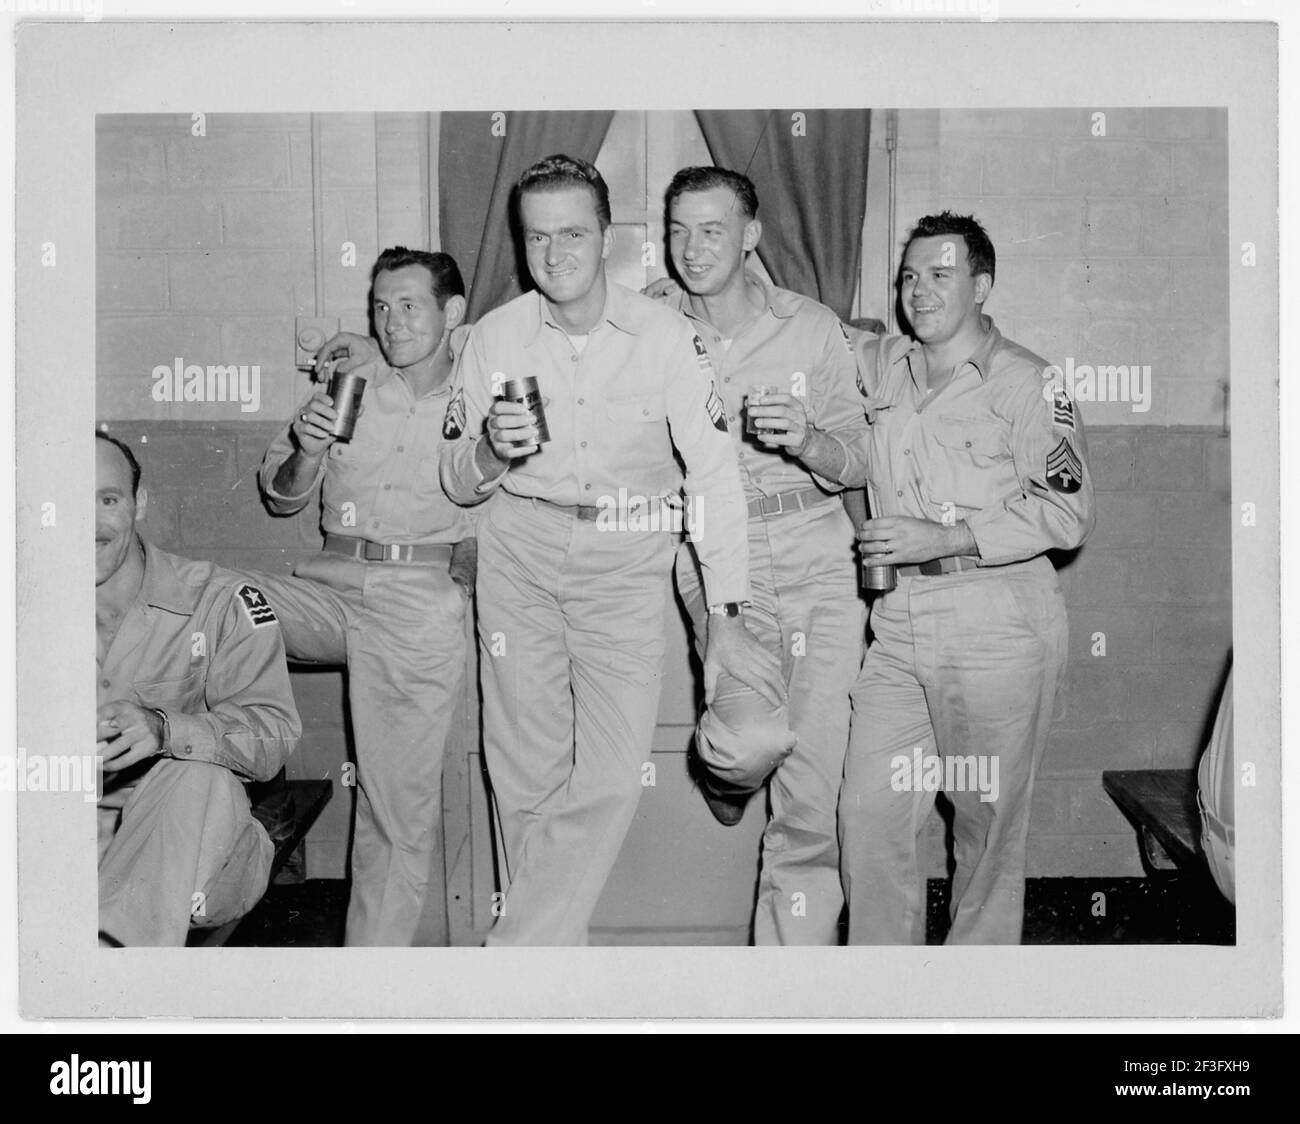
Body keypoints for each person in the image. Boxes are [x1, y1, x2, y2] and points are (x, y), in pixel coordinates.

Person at [440, 153, 755, 946]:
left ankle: (515, 957)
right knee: (523, 779)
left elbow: (714, 474)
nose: (555, 255)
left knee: (612, 776)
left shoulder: (669, 337)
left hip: (625, 551)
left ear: (607, 237)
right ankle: (551, 979)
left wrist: (727, 613)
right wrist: (487, 451)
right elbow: (455, 480)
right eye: (537, 237)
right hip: (519, 547)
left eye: (573, 234)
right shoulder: (493, 337)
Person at [842, 212, 1095, 945]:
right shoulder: (885, 366)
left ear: (981, 285)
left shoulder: (1029, 383)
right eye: (910, 276)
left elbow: (1067, 513)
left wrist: (949, 535)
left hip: (996, 624)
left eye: (940, 275)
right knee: (869, 818)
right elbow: (822, 360)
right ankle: (884, 1004)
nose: (918, 291)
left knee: (985, 836)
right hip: (896, 623)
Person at [656, 166, 869, 945]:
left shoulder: (811, 326)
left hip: (821, 551)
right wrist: (372, 351)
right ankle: (726, 779)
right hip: (719, 557)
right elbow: (530, 332)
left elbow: (861, 456)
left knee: (814, 799)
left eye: (712, 230)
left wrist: (810, 439)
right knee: (749, 740)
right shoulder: (646, 320)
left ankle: (790, 997)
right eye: (678, 229)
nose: (692, 248)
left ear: (750, 235)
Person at [255, 247, 476, 947]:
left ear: (453, 313)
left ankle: (369, 987)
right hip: (329, 588)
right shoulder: (350, 384)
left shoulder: (483, 385)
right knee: (209, 599)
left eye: (409, 305)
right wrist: (308, 451)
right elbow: (283, 497)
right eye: (380, 306)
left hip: (417, 608)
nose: (391, 322)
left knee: (393, 816)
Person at [95, 431, 301, 946]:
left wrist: (165, 730)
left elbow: (272, 736)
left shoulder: (222, 599)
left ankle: (110, 967)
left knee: (193, 779)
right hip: (71, 847)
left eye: (107, 500)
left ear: (139, 504)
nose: (86, 525)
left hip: (203, 851)